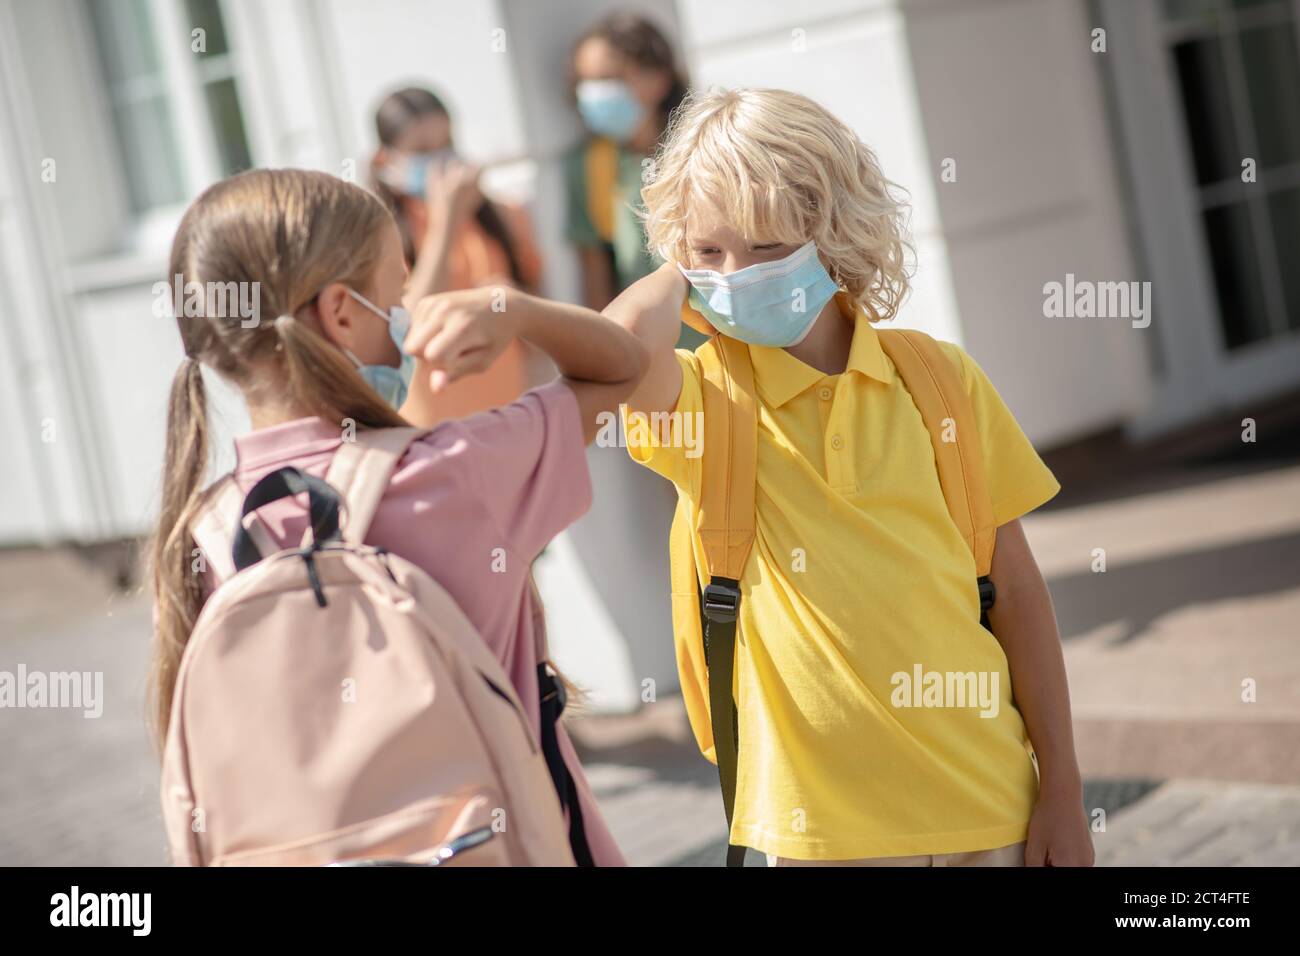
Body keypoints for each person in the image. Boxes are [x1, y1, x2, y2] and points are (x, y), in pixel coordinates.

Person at [605, 88, 1095, 866]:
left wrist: (1062, 789)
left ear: (834, 235)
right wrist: (679, 264)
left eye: (767, 248)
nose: (737, 275)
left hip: (990, 807)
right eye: (710, 253)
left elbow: (1021, 597)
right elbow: (618, 350)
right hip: (818, 838)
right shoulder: (705, 401)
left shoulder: (940, 382)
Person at [148, 168, 645, 866]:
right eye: (399, 291)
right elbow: (623, 367)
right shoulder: (454, 469)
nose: (410, 310)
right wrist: (512, 310)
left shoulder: (200, 532)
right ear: (344, 312)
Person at [371, 86, 548, 424]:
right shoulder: (379, 235)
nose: (440, 162)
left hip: (507, 412)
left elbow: (540, 325)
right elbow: (408, 326)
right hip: (433, 424)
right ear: (385, 159)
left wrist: (512, 304)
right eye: (422, 151)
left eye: (446, 146)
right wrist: (446, 221)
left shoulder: (502, 215)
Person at [565, 12, 702, 352]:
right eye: (586, 81)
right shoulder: (590, 166)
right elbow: (595, 272)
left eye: (608, 78)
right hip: (656, 355)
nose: (593, 93)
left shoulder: (704, 146)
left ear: (658, 78)